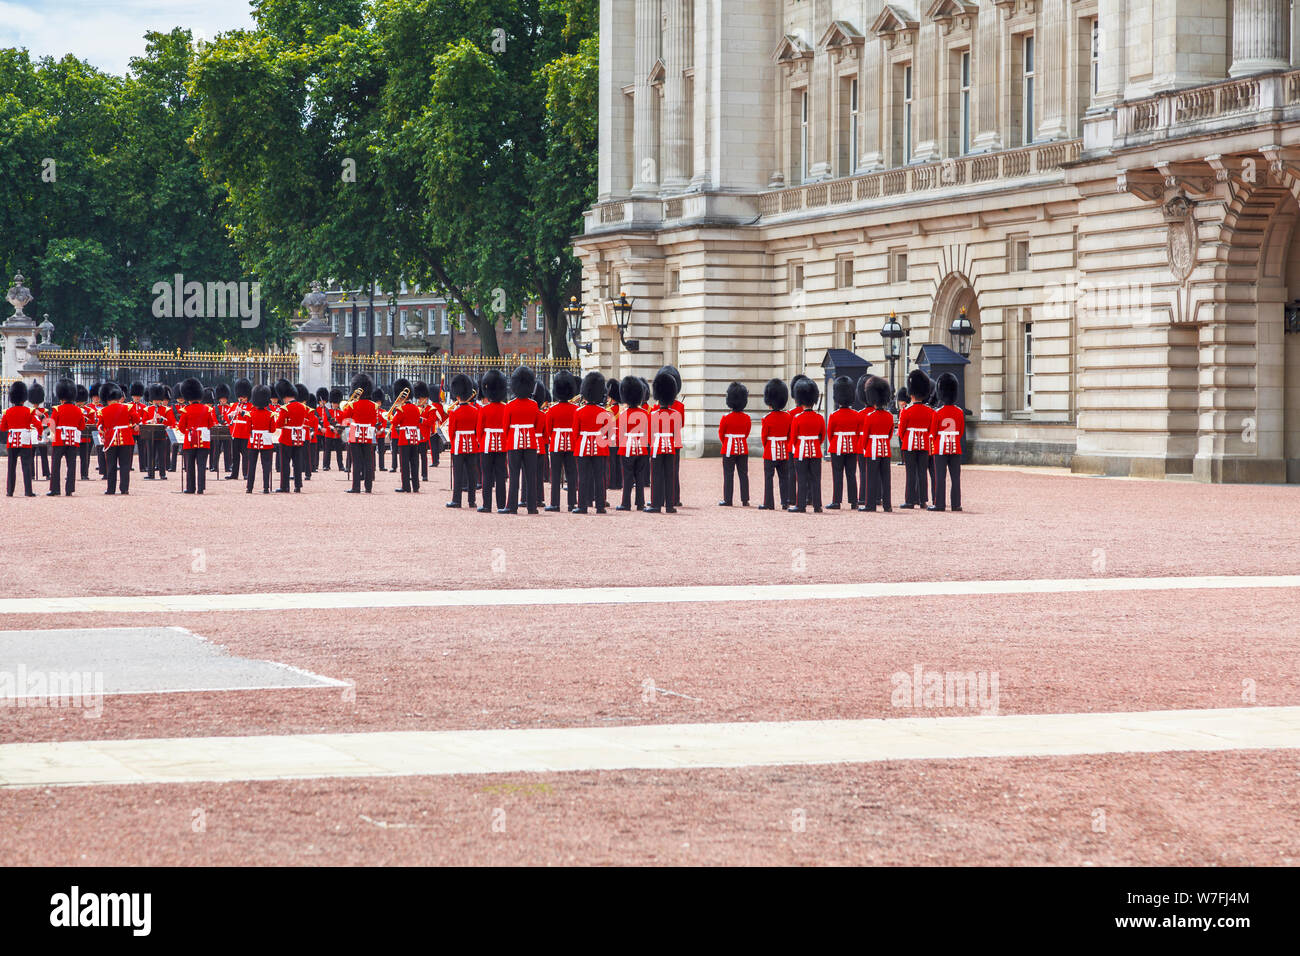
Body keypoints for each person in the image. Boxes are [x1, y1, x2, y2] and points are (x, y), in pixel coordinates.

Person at [503, 366, 542, 514]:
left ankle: (511, 507)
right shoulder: (534, 405)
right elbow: (537, 426)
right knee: (531, 476)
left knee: (514, 476)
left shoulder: (510, 405)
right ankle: (532, 507)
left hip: (514, 442)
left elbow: (505, 427)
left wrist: (510, 440)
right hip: (531, 442)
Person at [573, 371, 609, 514]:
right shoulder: (604, 412)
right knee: (600, 477)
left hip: (583, 446)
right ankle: (600, 506)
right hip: (600, 446)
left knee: (583, 477)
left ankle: (582, 506)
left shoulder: (579, 411)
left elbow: (575, 433)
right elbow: (607, 433)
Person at [928, 372, 965, 512]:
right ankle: (956, 504)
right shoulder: (959, 412)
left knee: (940, 477)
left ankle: (940, 504)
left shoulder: (937, 413)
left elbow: (933, 433)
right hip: (955, 447)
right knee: (955, 478)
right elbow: (961, 432)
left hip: (940, 448)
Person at [645, 368, 680, 514]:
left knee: (656, 475)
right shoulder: (676, 414)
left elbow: (649, 434)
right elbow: (676, 432)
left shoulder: (653, 414)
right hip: (670, 447)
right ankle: (670, 505)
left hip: (657, 447)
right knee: (670, 475)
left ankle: (656, 504)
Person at [788, 377, 824, 513]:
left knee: (801, 479)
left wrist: (798, 447)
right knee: (816, 479)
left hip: (801, 450)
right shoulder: (819, 418)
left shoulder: (797, 418)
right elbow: (822, 436)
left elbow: (793, 438)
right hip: (815, 450)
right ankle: (817, 505)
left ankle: (801, 505)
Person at [543, 371, 578, 512]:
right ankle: (571, 503)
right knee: (571, 473)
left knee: (556, 474)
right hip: (571, 443)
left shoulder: (552, 410)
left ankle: (555, 503)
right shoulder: (576, 409)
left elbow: (548, 429)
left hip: (556, 443)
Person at [899, 370, 933, 509]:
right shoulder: (930, 411)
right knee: (922, 472)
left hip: (909, 444)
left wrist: (906, 440)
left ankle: (910, 500)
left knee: (910, 472)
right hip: (924, 443)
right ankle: (923, 500)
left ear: (911, 394)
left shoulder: (906, 411)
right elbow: (931, 430)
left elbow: (901, 432)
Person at [476, 369, 509, 513]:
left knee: (487, 475)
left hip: (486, 444)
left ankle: (487, 505)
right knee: (501, 476)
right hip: (502, 444)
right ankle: (501, 504)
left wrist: (481, 441)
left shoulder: (484, 410)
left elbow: (479, 430)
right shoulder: (506, 408)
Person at [859, 376, 894, 513]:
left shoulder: (870, 417)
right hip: (885, 449)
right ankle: (887, 505)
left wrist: (865, 448)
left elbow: (865, 436)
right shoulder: (890, 416)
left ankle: (870, 505)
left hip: (872, 449)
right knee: (886, 478)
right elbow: (890, 434)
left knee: (871, 478)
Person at [97, 382, 139, 495]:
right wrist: (134, 425)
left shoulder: (103, 411)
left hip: (111, 440)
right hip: (126, 439)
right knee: (125, 465)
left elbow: (100, 426)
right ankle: (124, 489)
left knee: (111, 466)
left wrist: (102, 429)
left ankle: (111, 489)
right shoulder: (128, 407)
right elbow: (136, 419)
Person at [445, 373, 480, 508]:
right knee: (472, 474)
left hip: (459, 445)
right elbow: (477, 429)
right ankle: (472, 501)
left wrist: (454, 444)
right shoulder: (475, 411)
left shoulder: (454, 412)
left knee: (458, 474)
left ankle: (457, 500)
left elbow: (451, 432)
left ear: (457, 395)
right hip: (472, 444)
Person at [341, 374, 378, 494]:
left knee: (356, 461)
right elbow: (374, 421)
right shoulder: (374, 406)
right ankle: (368, 487)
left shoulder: (352, 405)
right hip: (367, 434)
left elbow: (343, 418)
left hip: (355, 434)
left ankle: (356, 487)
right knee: (368, 461)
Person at [616, 375, 649, 511]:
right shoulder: (645, 413)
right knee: (640, 476)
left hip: (627, 447)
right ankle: (640, 503)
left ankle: (626, 503)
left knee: (628, 476)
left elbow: (619, 434)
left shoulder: (623, 415)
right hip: (641, 447)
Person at [47, 378, 85, 496]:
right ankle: (69, 489)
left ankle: (55, 489)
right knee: (71, 465)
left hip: (59, 440)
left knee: (56, 465)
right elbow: (82, 426)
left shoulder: (57, 409)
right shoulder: (78, 410)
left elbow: (52, 425)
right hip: (72, 440)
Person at [758, 379, 792, 510]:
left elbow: (764, 437)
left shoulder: (767, 418)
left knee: (768, 478)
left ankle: (769, 503)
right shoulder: (788, 417)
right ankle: (785, 502)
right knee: (784, 478)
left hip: (770, 451)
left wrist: (768, 447)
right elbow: (789, 435)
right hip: (783, 450)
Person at [826, 376, 859, 510]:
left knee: (837, 474)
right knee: (851, 474)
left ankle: (836, 501)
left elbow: (830, 434)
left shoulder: (834, 415)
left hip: (837, 446)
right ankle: (854, 501)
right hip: (852, 446)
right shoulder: (856, 414)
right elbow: (857, 432)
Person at [718, 381, 752, 507]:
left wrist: (727, 443)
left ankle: (728, 499)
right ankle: (745, 499)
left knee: (728, 474)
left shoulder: (726, 418)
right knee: (743, 474)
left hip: (728, 448)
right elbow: (746, 433)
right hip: (742, 448)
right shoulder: (747, 418)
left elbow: (721, 434)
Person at [387, 378, 422, 494]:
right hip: (414, 438)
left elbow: (394, 422)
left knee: (405, 463)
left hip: (404, 439)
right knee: (415, 462)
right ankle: (416, 486)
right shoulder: (417, 409)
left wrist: (390, 416)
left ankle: (406, 486)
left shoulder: (401, 409)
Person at [3, 380, 37, 497]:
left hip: (12, 441)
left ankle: (10, 491)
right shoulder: (28, 411)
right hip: (25, 441)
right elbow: (37, 424)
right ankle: (28, 491)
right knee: (26, 466)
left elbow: (2, 428)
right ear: (24, 398)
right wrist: (39, 433)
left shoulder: (7, 412)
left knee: (11, 467)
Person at [274, 379, 308, 493]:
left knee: (285, 464)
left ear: (284, 396)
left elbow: (278, 424)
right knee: (297, 463)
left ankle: (285, 486)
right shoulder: (303, 407)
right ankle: (298, 486)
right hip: (298, 437)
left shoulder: (285, 408)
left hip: (287, 438)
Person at [243, 384, 276, 494]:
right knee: (266, 465)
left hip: (253, 442)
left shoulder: (250, 414)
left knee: (251, 465)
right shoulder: (270, 414)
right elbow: (272, 430)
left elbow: (247, 430)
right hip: (266, 442)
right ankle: (266, 488)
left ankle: (249, 488)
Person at [143, 384, 176, 480]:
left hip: (161, 434)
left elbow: (172, 423)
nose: (156, 401)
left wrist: (161, 419)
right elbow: (143, 422)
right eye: (155, 400)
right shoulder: (147, 409)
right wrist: (150, 421)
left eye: (158, 400)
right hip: (150, 434)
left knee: (162, 455)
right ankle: (150, 473)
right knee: (150, 455)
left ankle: (162, 473)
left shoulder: (167, 410)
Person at [227, 378, 253, 479]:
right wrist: (231, 414)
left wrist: (242, 412)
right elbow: (227, 416)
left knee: (245, 456)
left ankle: (246, 474)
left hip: (245, 434)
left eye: (243, 396)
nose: (241, 398)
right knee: (235, 456)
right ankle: (234, 474)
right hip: (235, 434)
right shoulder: (234, 405)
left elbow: (250, 416)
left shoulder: (251, 406)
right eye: (240, 396)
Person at [28, 382, 50, 480]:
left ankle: (47, 473)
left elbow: (47, 422)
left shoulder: (44, 411)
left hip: (42, 434)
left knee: (44, 455)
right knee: (31, 456)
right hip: (32, 434)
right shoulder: (29, 410)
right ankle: (31, 474)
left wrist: (42, 415)